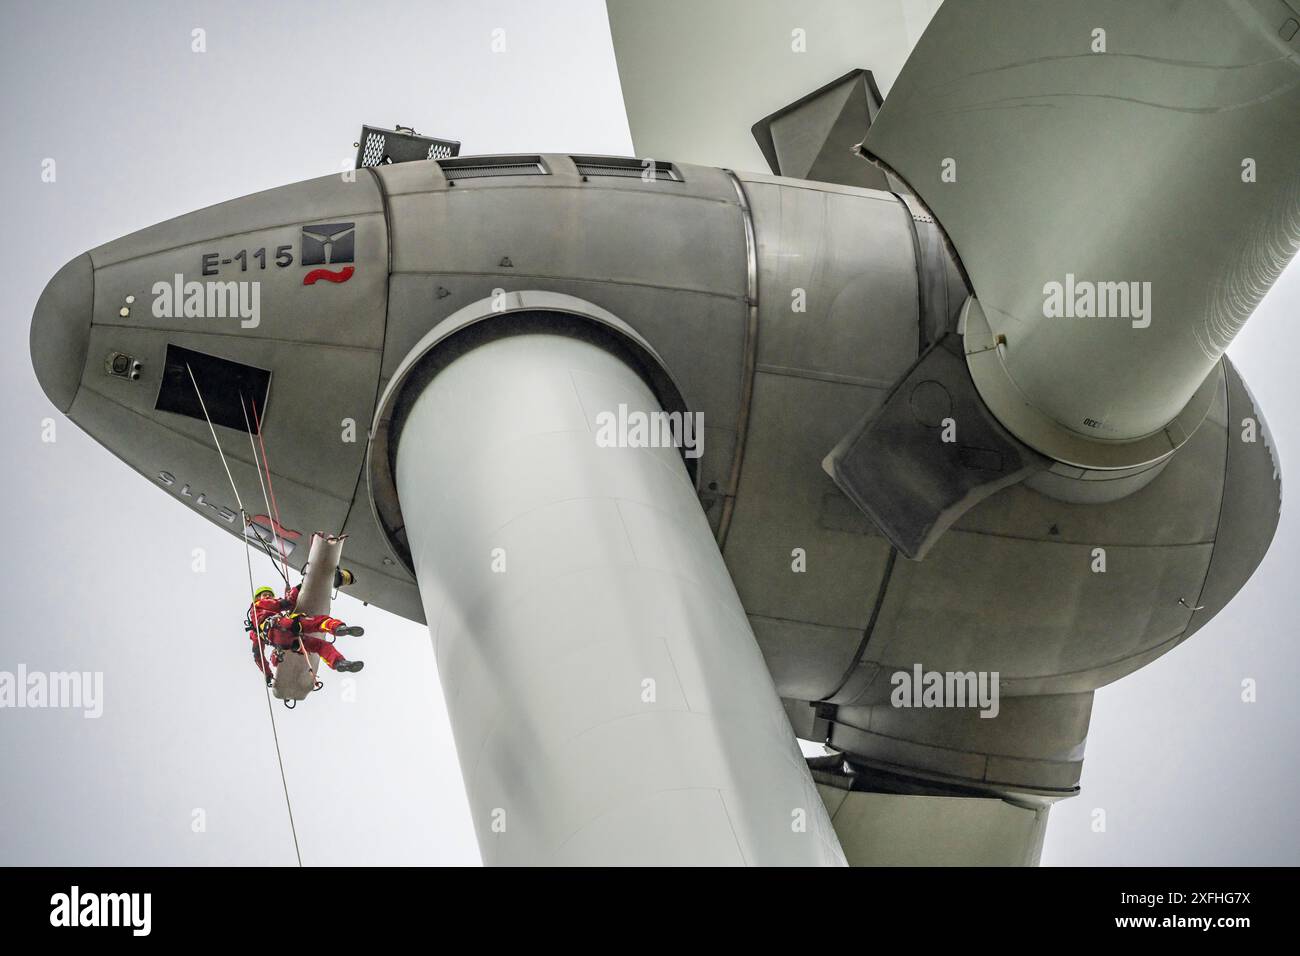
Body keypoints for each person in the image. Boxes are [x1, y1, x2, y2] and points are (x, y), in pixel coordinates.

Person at [246, 584, 365, 684]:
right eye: (265, 595)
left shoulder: (255, 630)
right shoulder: (260, 604)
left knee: (320, 645)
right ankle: (337, 628)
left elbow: (258, 654)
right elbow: (287, 602)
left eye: (270, 595)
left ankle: (339, 663)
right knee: (318, 622)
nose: (268, 596)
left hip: (286, 642)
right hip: (286, 626)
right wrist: (300, 586)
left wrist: (267, 674)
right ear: (257, 598)